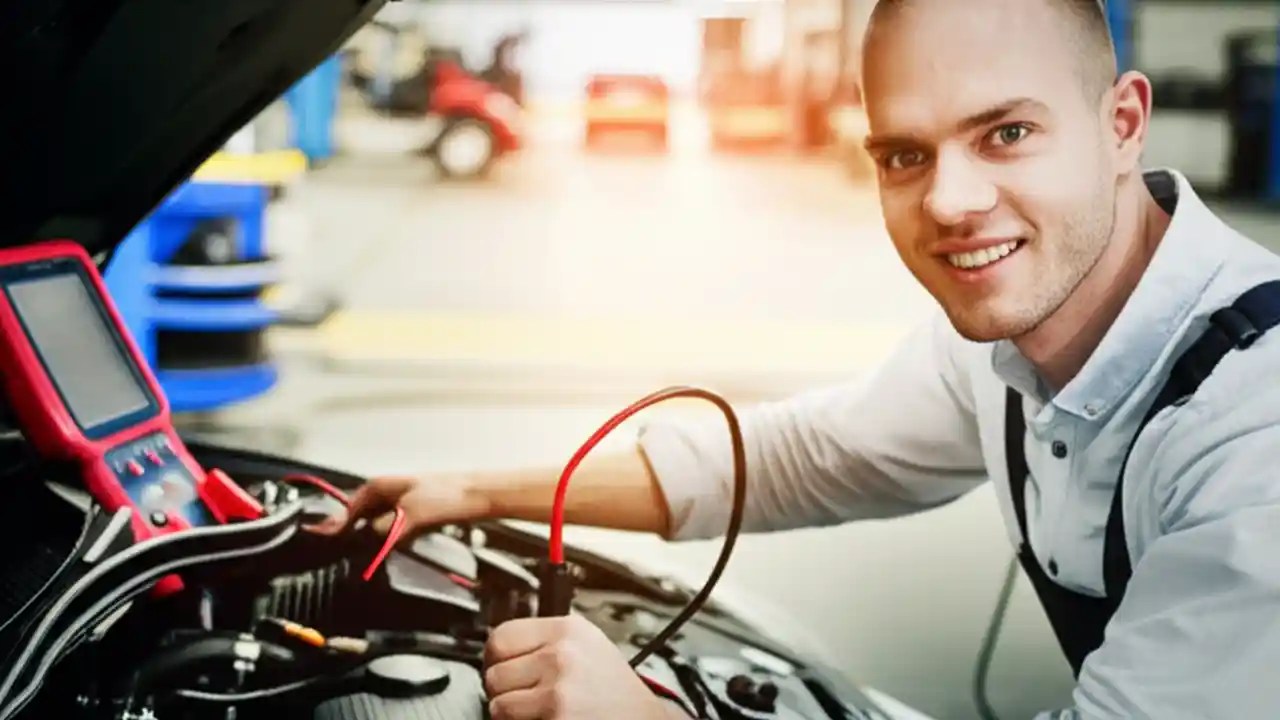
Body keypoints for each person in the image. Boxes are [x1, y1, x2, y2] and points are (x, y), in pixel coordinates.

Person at [317, 0, 1280, 717]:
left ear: (1122, 124)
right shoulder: (1004, 346)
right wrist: (474, 491)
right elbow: (802, 458)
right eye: (904, 154)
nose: (949, 201)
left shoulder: (1257, 425)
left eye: (1008, 133)